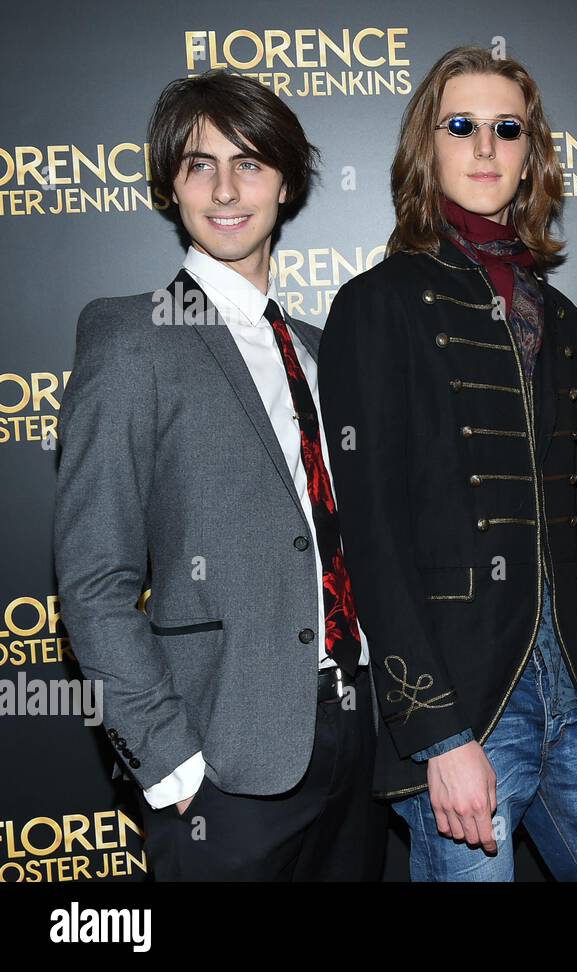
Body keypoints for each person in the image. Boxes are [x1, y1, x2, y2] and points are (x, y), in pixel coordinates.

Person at [53, 70, 387, 880]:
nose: (228, 188)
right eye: (201, 165)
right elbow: (94, 578)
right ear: (171, 186)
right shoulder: (131, 339)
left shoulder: (320, 348)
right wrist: (171, 763)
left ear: (286, 181)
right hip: (224, 758)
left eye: (250, 162)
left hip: (360, 738)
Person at [317, 46, 577, 882]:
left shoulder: (564, 315)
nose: (486, 147)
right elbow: (368, 536)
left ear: (531, 155)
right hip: (467, 703)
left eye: (506, 129)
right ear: (426, 148)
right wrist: (437, 735)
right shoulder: (377, 305)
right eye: (462, 126)